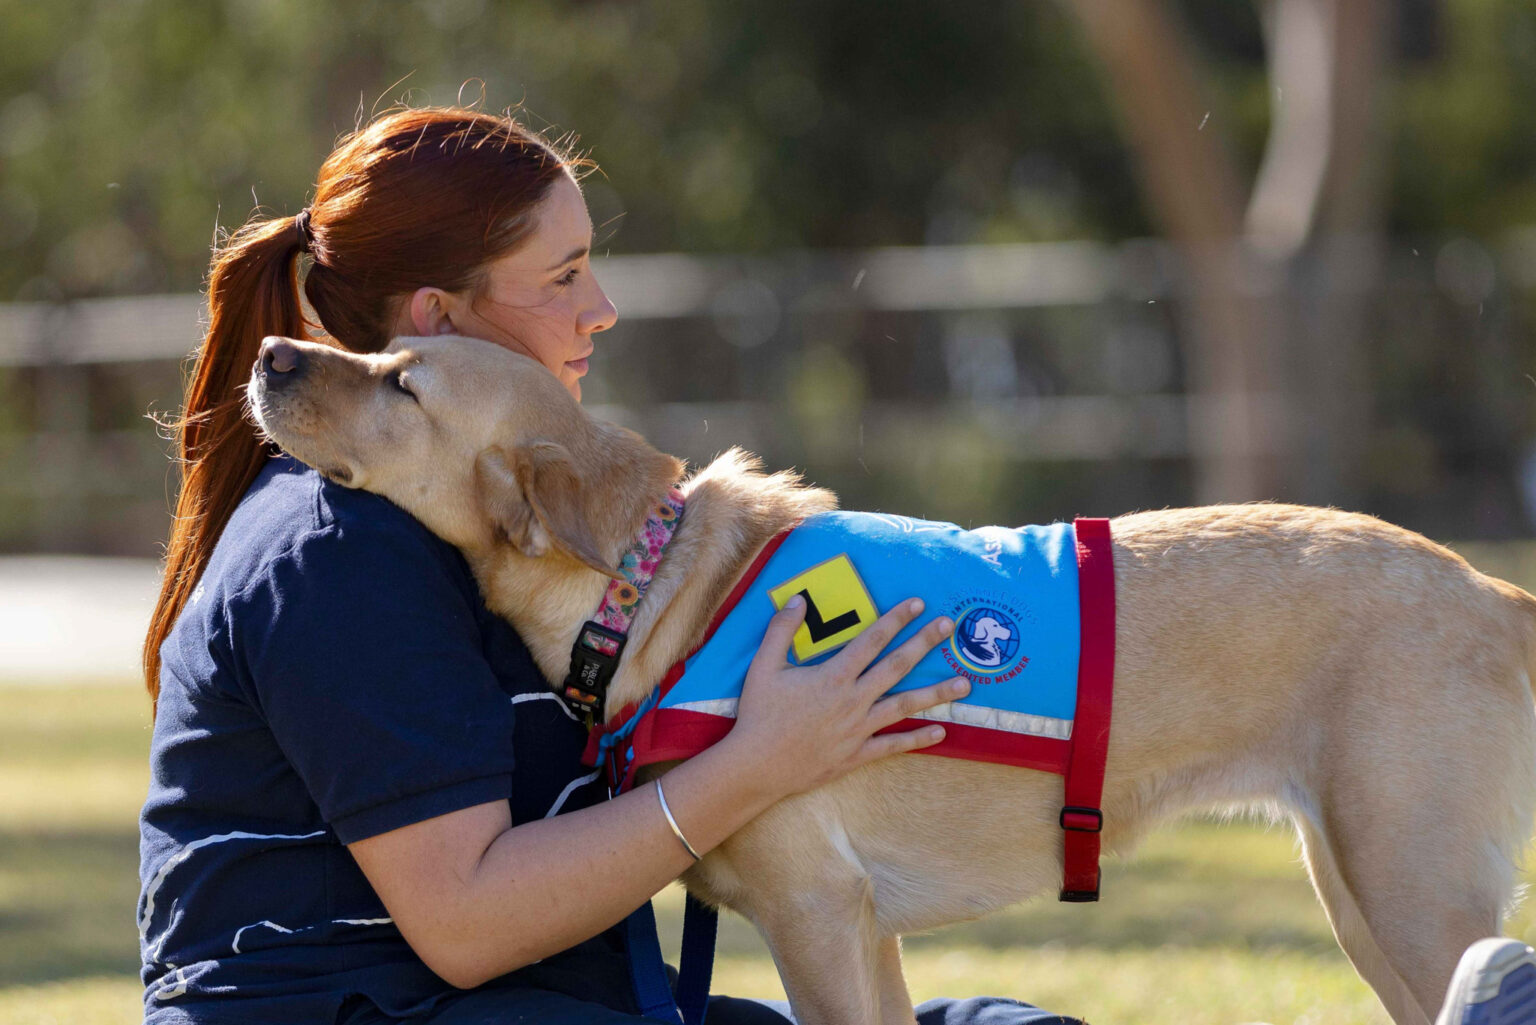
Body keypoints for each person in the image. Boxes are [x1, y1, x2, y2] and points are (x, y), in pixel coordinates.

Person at [137, 105, 1083, 1025]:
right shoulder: (338, 552)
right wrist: (760, 760)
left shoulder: (480, 515)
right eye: (564, 277)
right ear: (439, 321)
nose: (602, 310)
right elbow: (466, 923)